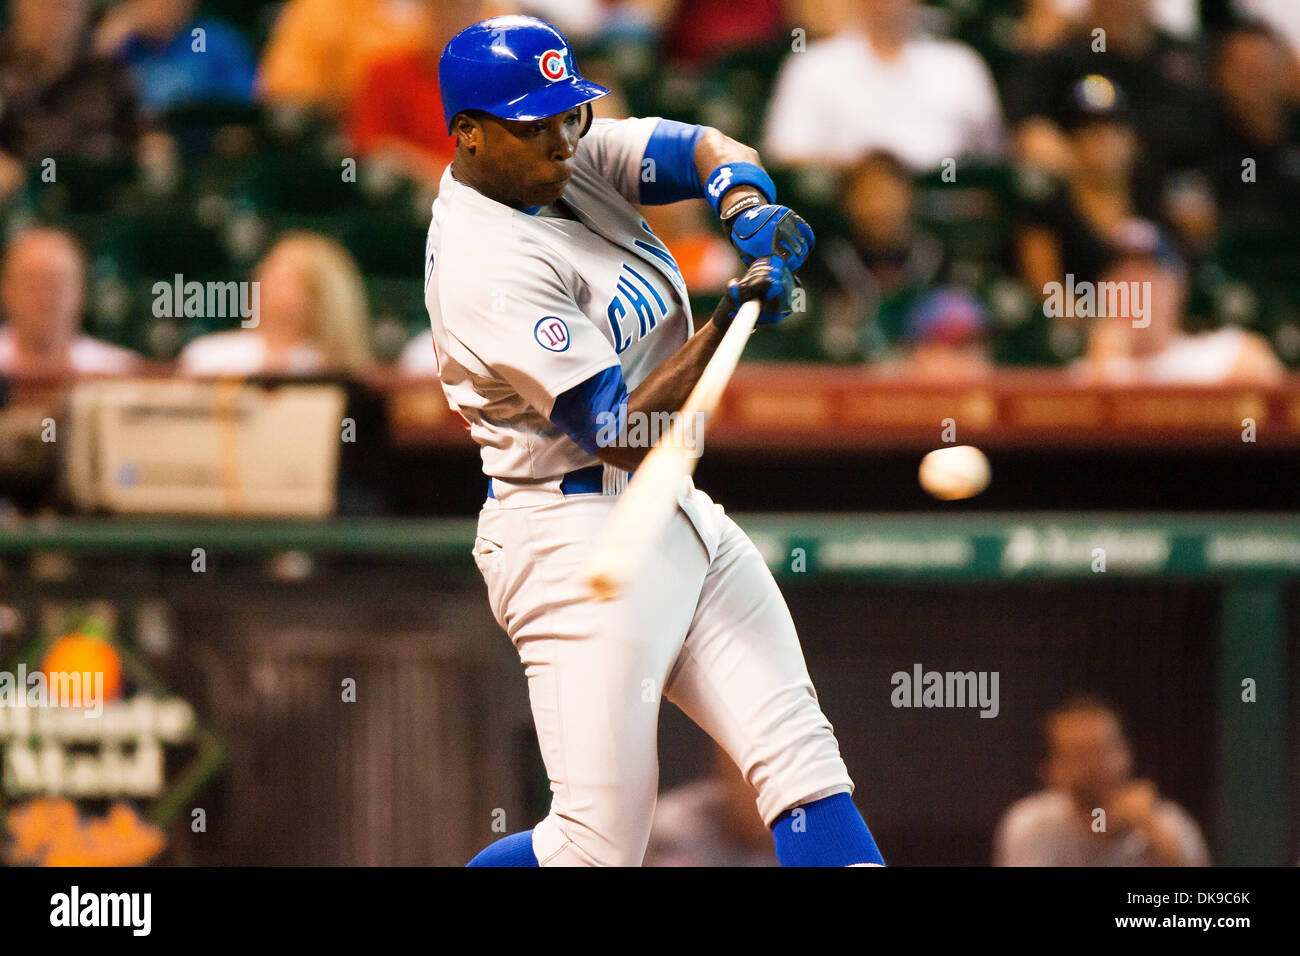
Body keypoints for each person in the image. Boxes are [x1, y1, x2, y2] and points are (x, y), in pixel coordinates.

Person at [429, 16, 883, 867]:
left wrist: (744, 204)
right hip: (569, 535)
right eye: (537, 125)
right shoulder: (483, 262)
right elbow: (618, 430)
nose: (565, 140)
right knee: (595, 848)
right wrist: (730, 311)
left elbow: (707, 145)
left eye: (571, 115)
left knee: (803, 766)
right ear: (469, 135)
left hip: (670, 509)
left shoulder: (566, 154)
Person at [762, 0, 1004, 172]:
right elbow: (786, 153)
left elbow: (993, 158)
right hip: (845, 213)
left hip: (945, 209)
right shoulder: (813, 65)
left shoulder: (961, 63)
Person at [994, 696, 1210, 866]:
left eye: (1104, 750)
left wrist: (1151, 830)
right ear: (1050, 769)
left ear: (1127, 754)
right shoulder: (1031, 823)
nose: (1096, 766)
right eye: (1079, 754)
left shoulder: (1169, 822)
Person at [1078, 220, 1285, 385]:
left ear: (1177, 285)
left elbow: (1268, 383)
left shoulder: (1221, 354)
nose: (1132, 286)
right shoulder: (1083, 374)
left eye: (1146, 272)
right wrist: (1104, 364)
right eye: (1119, 275)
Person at [178, 232, 374, 377]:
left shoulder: (339, 371)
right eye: (265, 273)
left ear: (321, 296)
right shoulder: (208, 356)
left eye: (284, 279)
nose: (264, 284)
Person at [0, 0, 141, 199]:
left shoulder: (108, 74)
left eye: (64, 6)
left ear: (82, 12)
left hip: (100, 203)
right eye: (42, 5)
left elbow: (141, 139)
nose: (53, 17)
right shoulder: (5, 71)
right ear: (19, 8)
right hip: (23, 204)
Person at [257, 0, 439, 115]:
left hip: (443, 135)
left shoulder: (451, 10)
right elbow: (283, 88)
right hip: (351, 139)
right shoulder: (324, 8)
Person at [0, 229, 140, 378]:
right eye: (33, 284)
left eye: (56, 285)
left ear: (82, 291)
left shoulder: (120, 371)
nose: (44, 299)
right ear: (6, 290)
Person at [644, 743, 778, 867]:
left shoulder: (785, 832)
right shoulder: (674, 825)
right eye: (753, 778)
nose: (761, 792)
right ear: (723, 770)